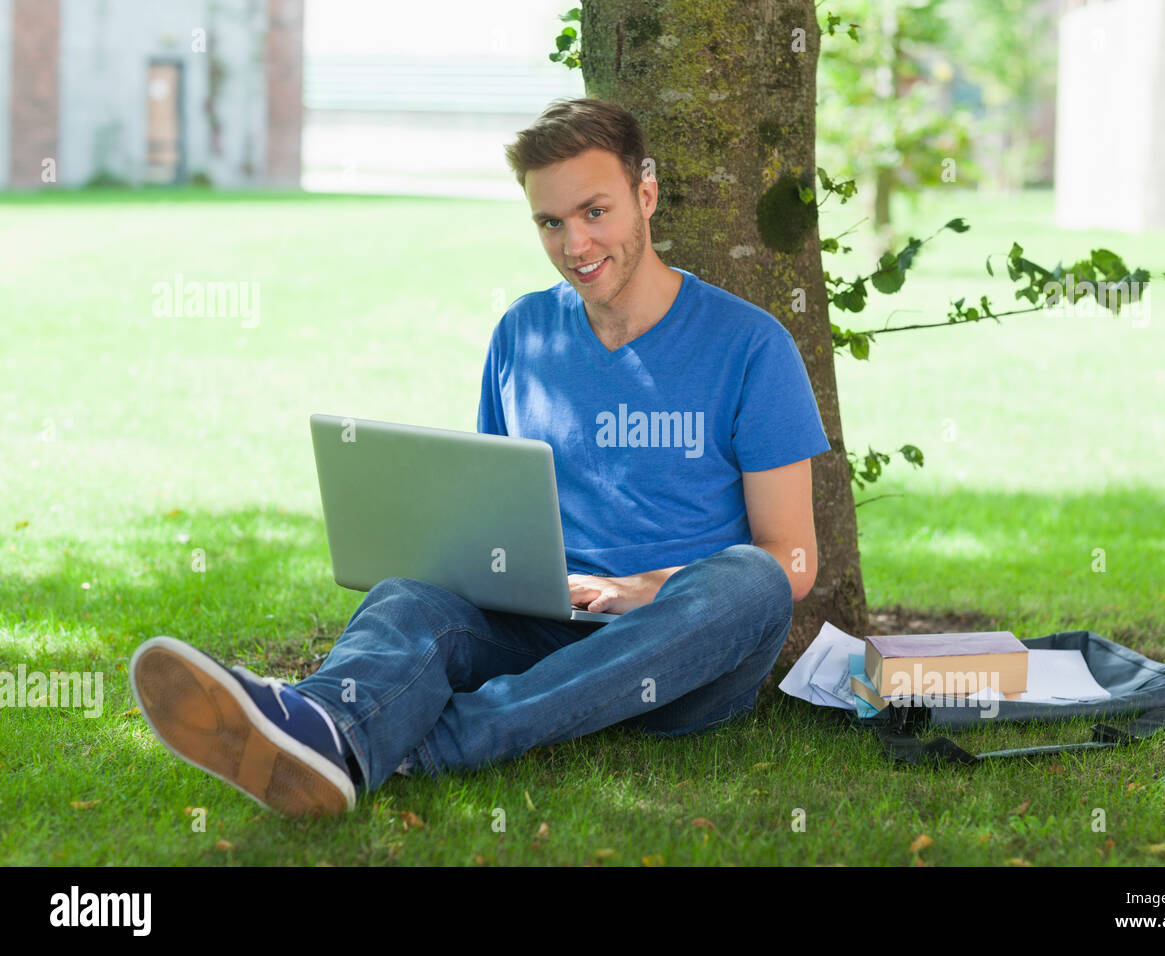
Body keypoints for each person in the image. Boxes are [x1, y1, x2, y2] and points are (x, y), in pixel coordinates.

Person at [129, 97, 832, 818]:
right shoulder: (522, 334)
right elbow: (495, 514)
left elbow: (794, 562)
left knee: (750, 580)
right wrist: (519, 575)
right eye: (550, 223)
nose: (575, 246)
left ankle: (436, 742)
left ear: (645, 195)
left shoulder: (751, 345)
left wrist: (655, 587)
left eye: (596, 213)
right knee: (407, 597)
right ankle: (320, 731)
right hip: (548, 627)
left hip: (684, 654)